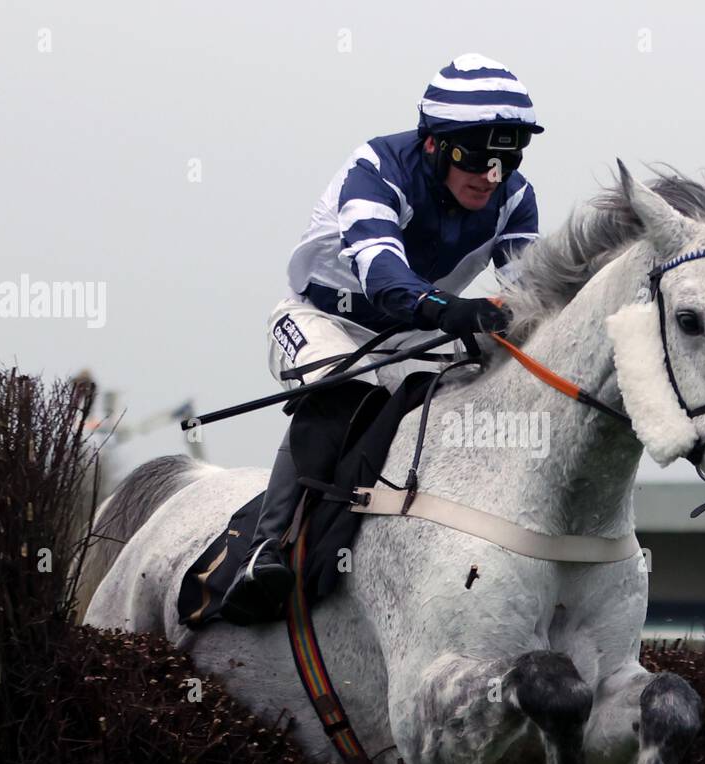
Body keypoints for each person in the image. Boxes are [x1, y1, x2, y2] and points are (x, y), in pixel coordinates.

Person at [221, 52, 544, 626]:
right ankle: (262, 552)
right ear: (433, 145)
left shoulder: (516, 197)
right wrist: (454, 308)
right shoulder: (374, 168)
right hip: (327, 321)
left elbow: (529, 296)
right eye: (475, 155)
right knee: (342, 393)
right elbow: (386, 278)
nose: (491, 175)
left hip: (414, 336)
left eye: (507, 156)